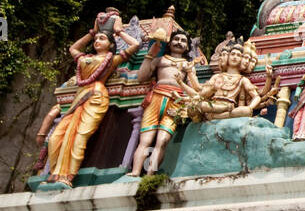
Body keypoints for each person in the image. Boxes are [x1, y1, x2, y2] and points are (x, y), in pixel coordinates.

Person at [45, 10, 141, 186]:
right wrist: (92, 32)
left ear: (111, 45)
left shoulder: (112, 59)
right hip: (78, 97)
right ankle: (54, 173)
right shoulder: (84, 59)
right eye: (96, 39)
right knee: (56, 137)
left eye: (102, 39)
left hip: (96, 97)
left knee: (79, 137)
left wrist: (118, 31)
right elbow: (73, 48)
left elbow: (135, 45)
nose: (97, 41)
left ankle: (67, 176)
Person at [130, 26, 198, 175]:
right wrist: (150, 55)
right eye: (176, 39)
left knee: (162, 141)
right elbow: (141, 78)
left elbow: (195, 90)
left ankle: (150, 174)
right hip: (156, 97)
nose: (179, 43)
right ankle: (135, 172)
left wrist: (185, 104)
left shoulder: (188, 66)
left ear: (187, 47)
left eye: (183, 41)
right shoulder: (159, 60)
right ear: (170, 42)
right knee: (146, 140)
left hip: (175, 101)